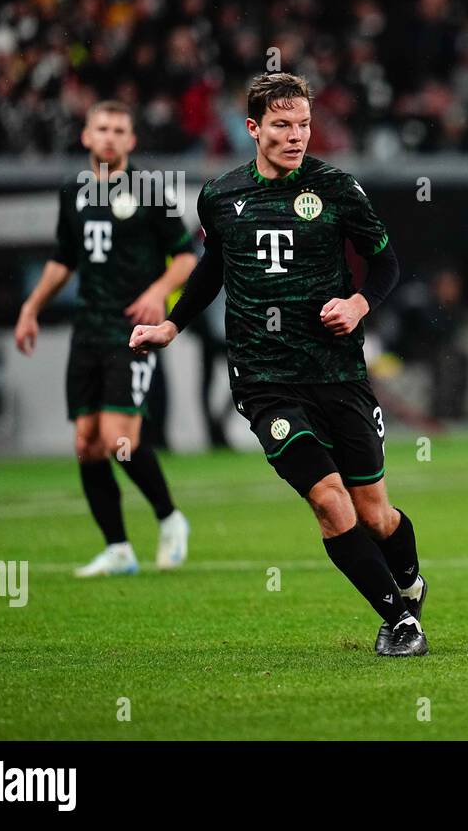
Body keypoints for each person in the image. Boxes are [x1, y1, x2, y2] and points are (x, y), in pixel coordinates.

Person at [129, 73, 428, 657]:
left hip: (337, 372)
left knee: (375, 513)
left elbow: (386, 262)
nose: (296, 136)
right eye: (283, 125)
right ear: (253, 129)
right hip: (264, 379)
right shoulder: (220, 196)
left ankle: (411, 584)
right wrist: (171, 324)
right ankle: (398, 618)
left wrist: (359, 303)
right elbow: (212, 269)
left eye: (304, 124)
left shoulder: (337, 188)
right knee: (326, 498)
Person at [14, 101, 197, 577]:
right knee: (86, 443)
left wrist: (159, 292)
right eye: (103, 128)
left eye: (120, 129)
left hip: (131, 330)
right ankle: (118, 549)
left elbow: (185, 257)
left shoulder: (150, 190)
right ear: (86, 136)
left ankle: (170, 518)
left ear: (132, 141)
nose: (111, 136)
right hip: (87, 327)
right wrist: (31, 308)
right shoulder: (72, 191)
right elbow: (63, 258)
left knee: (119, 439)